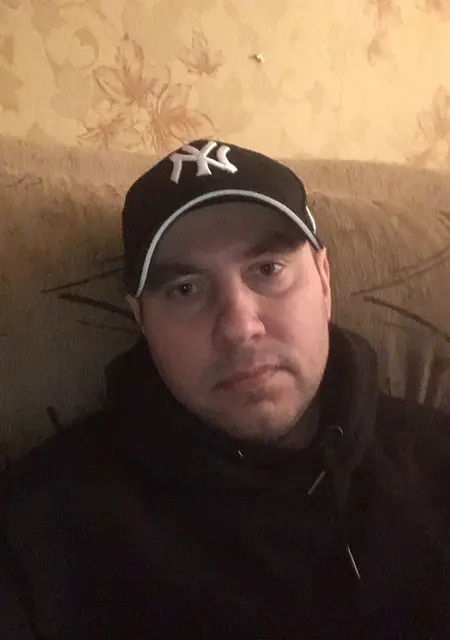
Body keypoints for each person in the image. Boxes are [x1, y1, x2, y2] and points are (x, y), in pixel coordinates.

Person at [1, 139, 449, 639]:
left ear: (325, 280)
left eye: (268, 269)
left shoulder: (436, 461)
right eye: (186, 289)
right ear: (140, 318)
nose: (239, 327)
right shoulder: (38, 532)